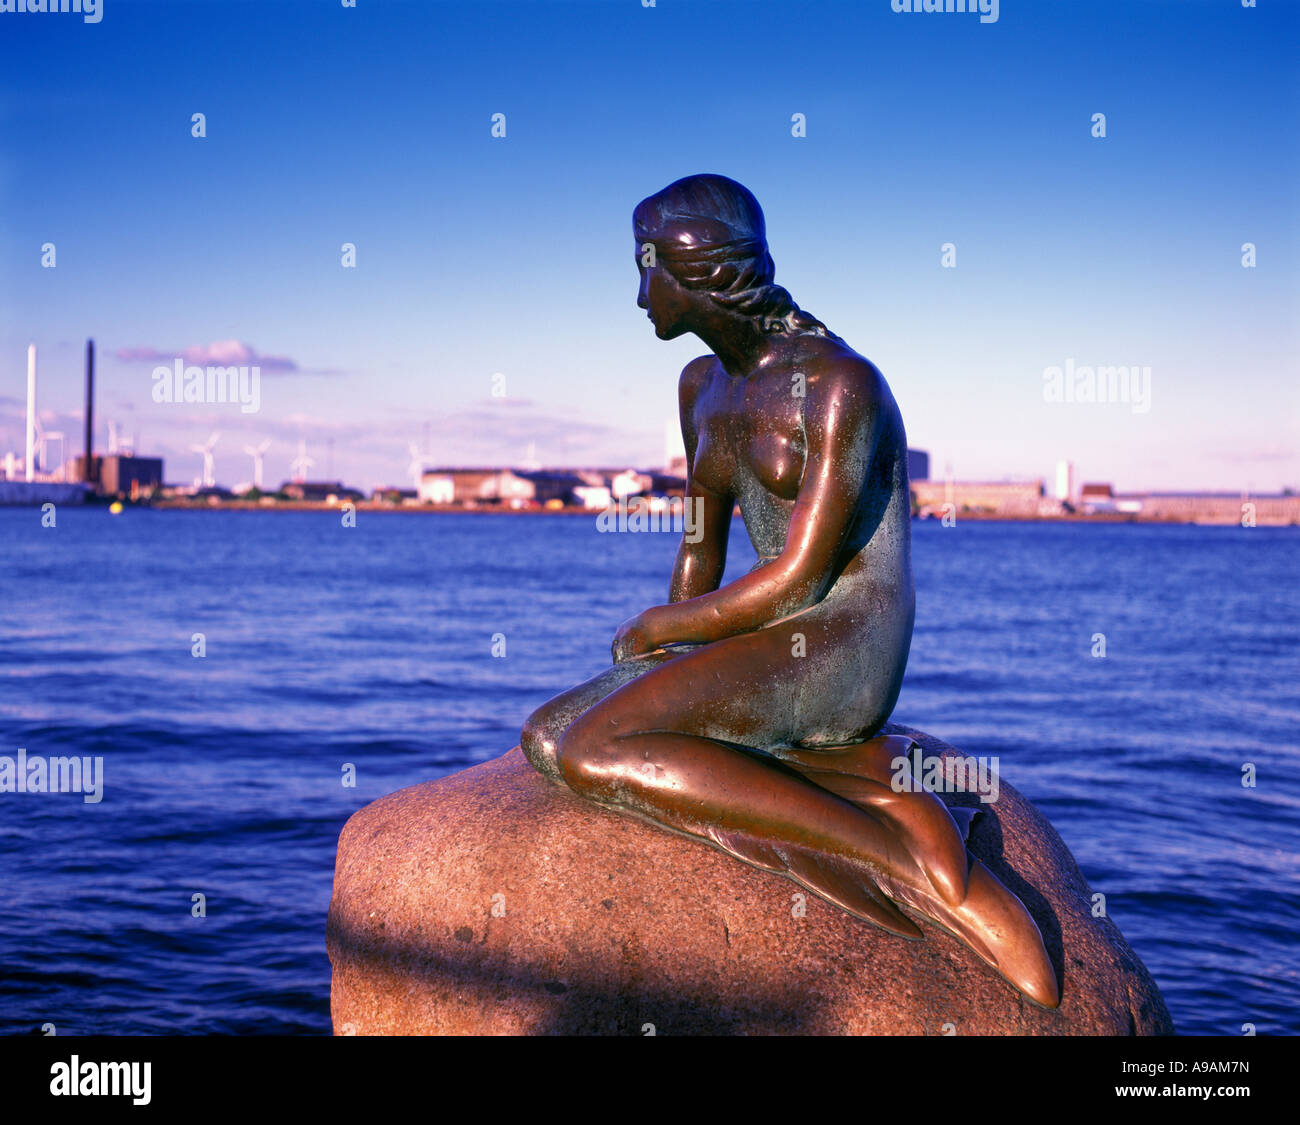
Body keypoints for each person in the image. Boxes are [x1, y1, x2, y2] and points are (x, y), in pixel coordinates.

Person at [521, 174, 1058, 1008]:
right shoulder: (701, 387)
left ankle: (899, 845)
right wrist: (672, 645)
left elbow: (805, 575)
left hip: (846, 634)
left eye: (646, 267)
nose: (637, 297)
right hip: (773, 630)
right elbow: (700, 550)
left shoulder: (843, 383)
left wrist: (662, 627)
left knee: (597, 747)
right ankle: (844, 782)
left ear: (699, 268)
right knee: (551, 735)